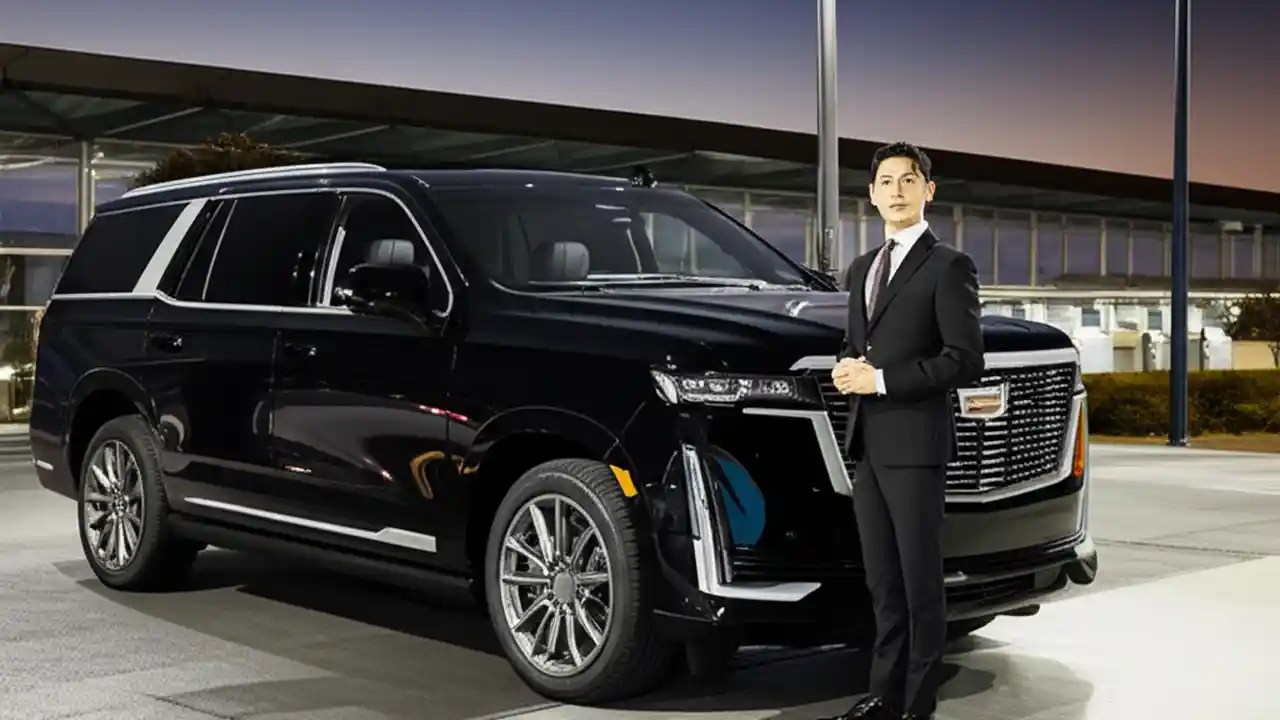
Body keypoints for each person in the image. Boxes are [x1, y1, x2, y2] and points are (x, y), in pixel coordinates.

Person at [820, 142, 984, 720]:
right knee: (883, 586)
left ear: (928, 191)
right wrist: (847, 368)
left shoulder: (948, 266)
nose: (896, 190)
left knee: (920, 585)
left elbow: (965, 360)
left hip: (916, 446)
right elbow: (859, 345)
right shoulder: (863, 267)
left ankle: (917, 705)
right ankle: (880, 696)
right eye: (885, 181)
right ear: (871, 194)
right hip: (868, 446)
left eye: (908, 180)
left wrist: (882, 381)